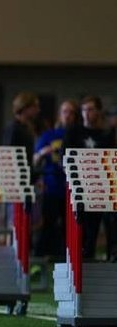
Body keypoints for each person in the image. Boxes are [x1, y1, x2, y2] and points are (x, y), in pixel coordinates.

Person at [63, 95, 115, 259]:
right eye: (84, 110)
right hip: (78, 187)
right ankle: (81, 261)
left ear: (98, 111)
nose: (87, 113)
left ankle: (105, 259)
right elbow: (64, 158)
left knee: (99, 227)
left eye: (91, 109)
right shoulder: (73, 132)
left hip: (100, 188)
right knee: (81, 231)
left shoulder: (106, 134)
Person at [33, 99, 77, 260]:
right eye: (65, 112)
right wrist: (44, 152)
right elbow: (35, 158)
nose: (68, 116)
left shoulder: (77, 135)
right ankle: (43, 254)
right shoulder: (49, 135)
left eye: (71, 112)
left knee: (70, 225)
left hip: (73, 188)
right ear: (60, 114)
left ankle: (67, 255)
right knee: (49, 223)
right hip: (52, 186)